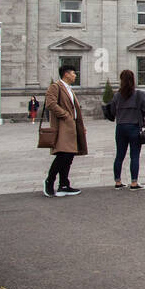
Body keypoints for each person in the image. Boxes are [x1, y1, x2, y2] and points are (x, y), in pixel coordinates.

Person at [43, 64, 86, 197]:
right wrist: (65, 115)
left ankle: (64, 184)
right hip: (62, 127)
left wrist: (80, 126)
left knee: (69, 156)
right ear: (66, 74)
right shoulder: (55, 87)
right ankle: (50, 181)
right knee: (63, 155)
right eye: (73, 73)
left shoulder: (69, 89)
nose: (75, 75)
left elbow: (74, 109)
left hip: (72, 127)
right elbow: (50, 103)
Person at [107, 69, 145, 189]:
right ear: (133, 80)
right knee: (134, 156)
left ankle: (118, 182)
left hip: (120, 127)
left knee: (119, 156)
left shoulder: (116, 95)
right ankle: (134, 183)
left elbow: (112, 112)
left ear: (121, 80)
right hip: (134, 127)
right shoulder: (139, 94)